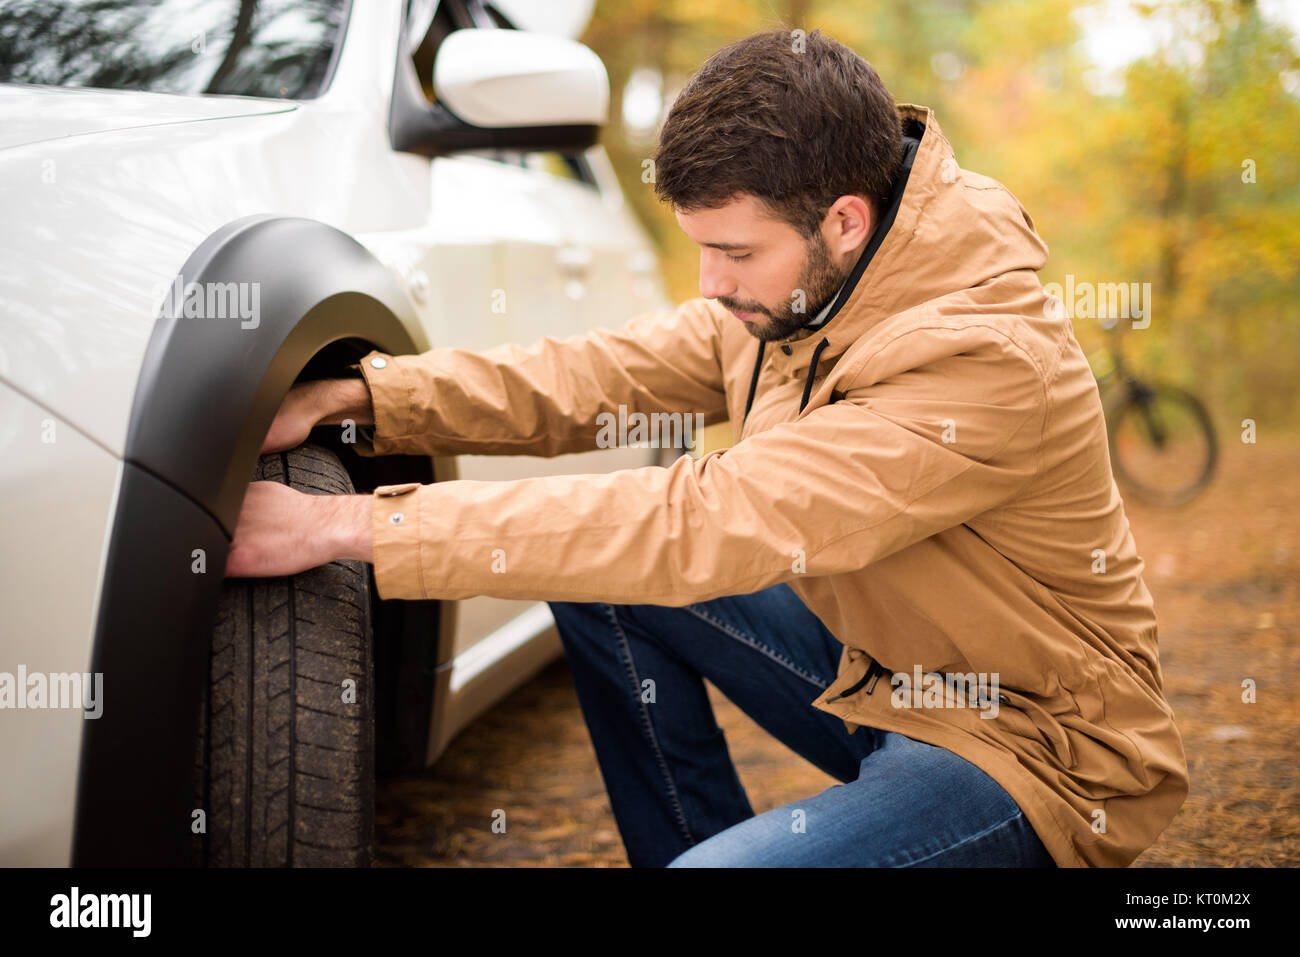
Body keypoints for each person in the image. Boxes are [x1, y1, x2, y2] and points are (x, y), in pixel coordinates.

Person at [228, 29, 1188, 867]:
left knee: (639, 544)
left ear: (843, 221)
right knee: (595, 570)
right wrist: (362, 399)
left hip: (1027, 741)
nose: (710, 282)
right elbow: (598, 376)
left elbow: (708, 519)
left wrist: (344, 523)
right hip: (882, 665)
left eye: (734, 252)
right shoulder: (808, 289)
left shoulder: (983, 357)